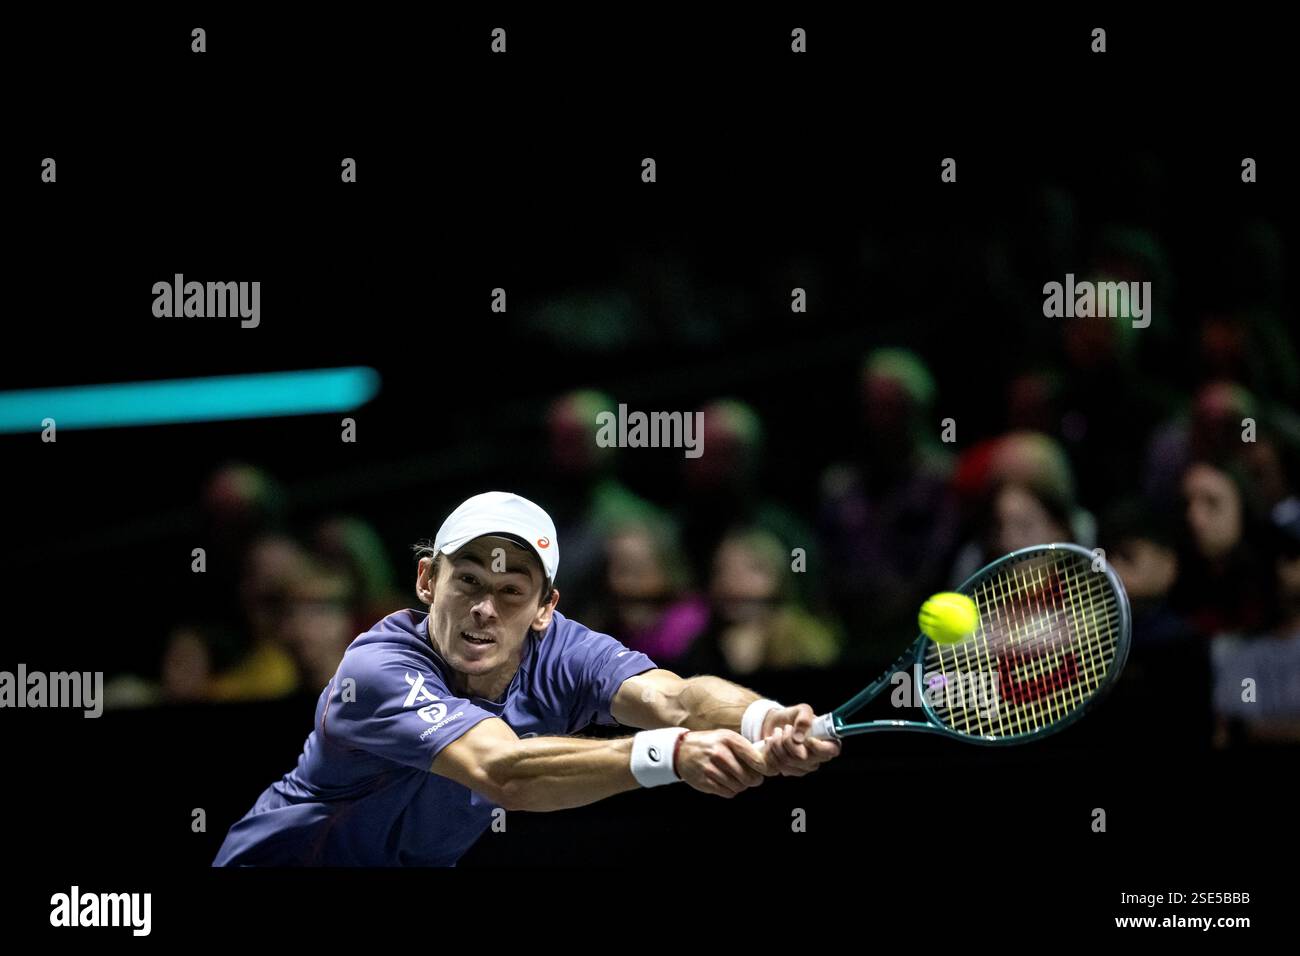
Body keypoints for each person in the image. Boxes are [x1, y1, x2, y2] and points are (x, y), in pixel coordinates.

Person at [213, 492, 840, 866]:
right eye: (469, 583)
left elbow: (675, 697)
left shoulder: (563, 651)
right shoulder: (376, 669)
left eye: (512, 591)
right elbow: (503, 773)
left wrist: (764, 719)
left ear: (546, 607)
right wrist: (670, 755)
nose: (486, 609)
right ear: (428, 580)